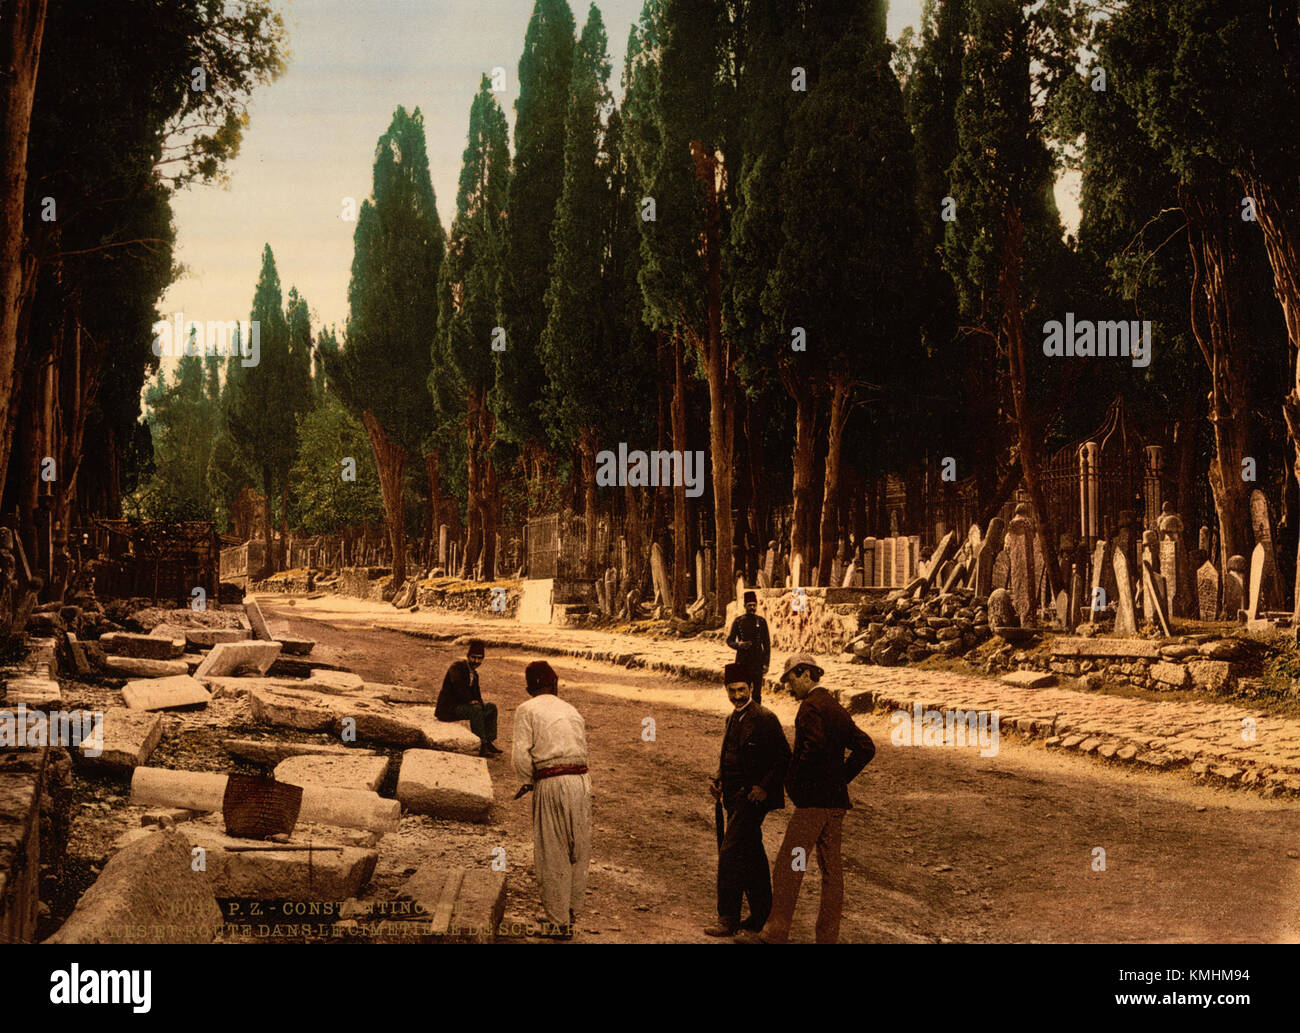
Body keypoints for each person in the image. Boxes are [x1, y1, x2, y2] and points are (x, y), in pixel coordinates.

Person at [739, 653, 875, 945]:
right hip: (835, 805)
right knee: (831, 873)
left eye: (790, 681)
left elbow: (810, 750)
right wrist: (839, 780)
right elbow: (866, 747)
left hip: (812, 807)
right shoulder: (836, 708)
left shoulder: (810, 708)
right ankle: (827, 939)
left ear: (805, 674)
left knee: (791, 865)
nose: (789, 689)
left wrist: (795, 783)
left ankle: (775, 934)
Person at [705, 662, 791, 938]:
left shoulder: (765, 718)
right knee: (752, 853)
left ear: (752, 688)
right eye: (732, 691)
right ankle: (762, 914)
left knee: (730, 854)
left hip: (752, 800)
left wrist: (763, 787)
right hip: (733, 798)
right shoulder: (732, 718)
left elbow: (783, 759)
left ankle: (727, 918)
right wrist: (718, 778)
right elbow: (730, 755)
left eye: (742, 690)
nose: (737, 696)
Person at [512, 660, 592, 940]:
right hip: (581, 781)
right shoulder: (571, 709)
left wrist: (526, 781)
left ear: (528, 689)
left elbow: (521, 754)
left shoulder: (526, 709)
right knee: (577, 847)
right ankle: (568, 910)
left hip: (551, 780)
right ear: (555, 684)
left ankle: (558, 922)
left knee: (552, 849)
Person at [434, 640, 500, 757]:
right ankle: (482, 746)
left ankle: (489, 740)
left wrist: (480, 703)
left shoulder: (474, 674)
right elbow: (458, 686)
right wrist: (471, 701)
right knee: (475, 710)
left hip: (462, 706)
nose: (476, 661)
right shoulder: (456, 667)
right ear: (468, 656)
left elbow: (477, 694)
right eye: (473, 657)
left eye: (480, 658)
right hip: (449, 709)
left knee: (491, 707)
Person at [725, 591, 771, 704]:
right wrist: (738, 645)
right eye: (749, 605)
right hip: (743, 661)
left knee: (757, 693)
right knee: (743, 691)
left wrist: (766, 663)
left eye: (754, 605)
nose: (752, 608)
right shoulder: (738, 621)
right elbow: (729, 640)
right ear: (744, 606)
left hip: (757, 662)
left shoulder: (761, 621)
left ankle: (757, 715)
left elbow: (767, 644)